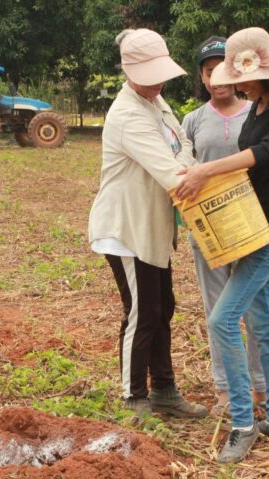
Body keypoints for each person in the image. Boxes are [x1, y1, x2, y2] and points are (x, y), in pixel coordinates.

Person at [175, 27, 269, 463]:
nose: (234, 84)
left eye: (241, 76)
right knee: (264, 322)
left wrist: (205, 172)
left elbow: (266, 153)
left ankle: (243, 423)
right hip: (250, 226)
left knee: (221, 320)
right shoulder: (261, 104)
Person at [88, 28, 208, 420]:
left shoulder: (156, 103)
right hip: (127, 227)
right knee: (143, 310)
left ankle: (166, 390)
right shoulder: (126, 114)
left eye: (161, 72)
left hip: (152, 225)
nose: (159, 81)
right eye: (150, 73)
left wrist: (189, 167)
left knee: (164, 307)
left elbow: (183, 147)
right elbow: (170, 169)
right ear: (129, 70)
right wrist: (199, 174)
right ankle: (134, 397)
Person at [181, 36, 267, 418]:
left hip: (249, 224)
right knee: (216, 309)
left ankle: (260, 388)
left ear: (236, 73)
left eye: (222, 68)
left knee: (253, 308)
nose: (216, 77)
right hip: (209, 231)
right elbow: (182, 171)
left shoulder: (257, 113)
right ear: (201, 76)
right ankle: (226, 390)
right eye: (208, 69)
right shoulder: (193, 121)